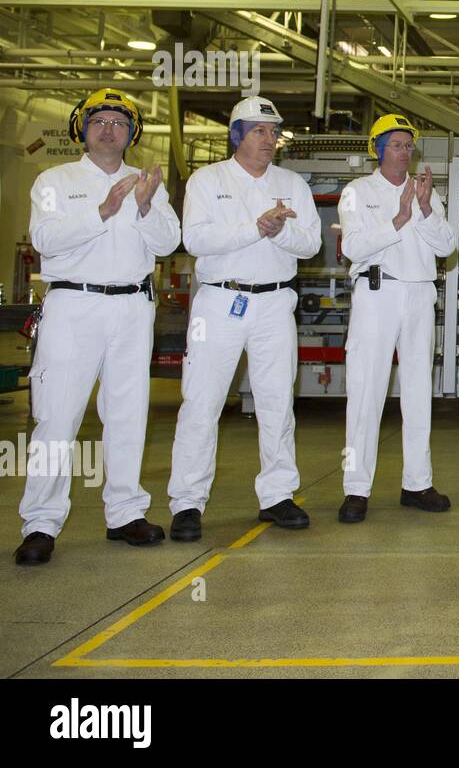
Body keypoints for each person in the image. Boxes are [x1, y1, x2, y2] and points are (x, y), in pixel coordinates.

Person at [14, 89, 180, 565]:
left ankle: (125, 513)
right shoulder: (54, 179)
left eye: (119, 122)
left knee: (128, 414)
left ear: (132, 133)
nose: (109, 129)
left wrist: (146, 208)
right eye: (99, 121)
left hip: (131, 308)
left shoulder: (146, 181)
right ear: (81, 129)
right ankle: (41, 523)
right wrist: (103, 211)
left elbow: (170, 243)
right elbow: (45, 239)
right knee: (56, 418)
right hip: (74, 306)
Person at [167, 96, 320, 540]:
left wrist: (281, 230)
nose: (269, 140)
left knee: (276, 402)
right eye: (258, 131)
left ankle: (277, 495)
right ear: (236, 135)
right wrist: (256, 228)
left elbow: (310, 244)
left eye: (274, 132)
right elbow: (195, 239)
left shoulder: (293, 184)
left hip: (275, 304)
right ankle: (187, 503)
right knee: (202, 401)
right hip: (219, 302)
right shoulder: (206, 179)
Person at [337, 114, 457, 523]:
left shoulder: (424, 192)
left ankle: (417, 482)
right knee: (366, 390)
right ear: (378, 148)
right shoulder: (357, 191)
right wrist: (399, 220)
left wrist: (423, 209)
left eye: (409, 145)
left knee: (419, 389)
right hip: (377, 291)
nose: (405, 152)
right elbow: (353, 246)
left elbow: (446, 246)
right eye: (397, 145)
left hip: (421, 292)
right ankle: (356, 488)